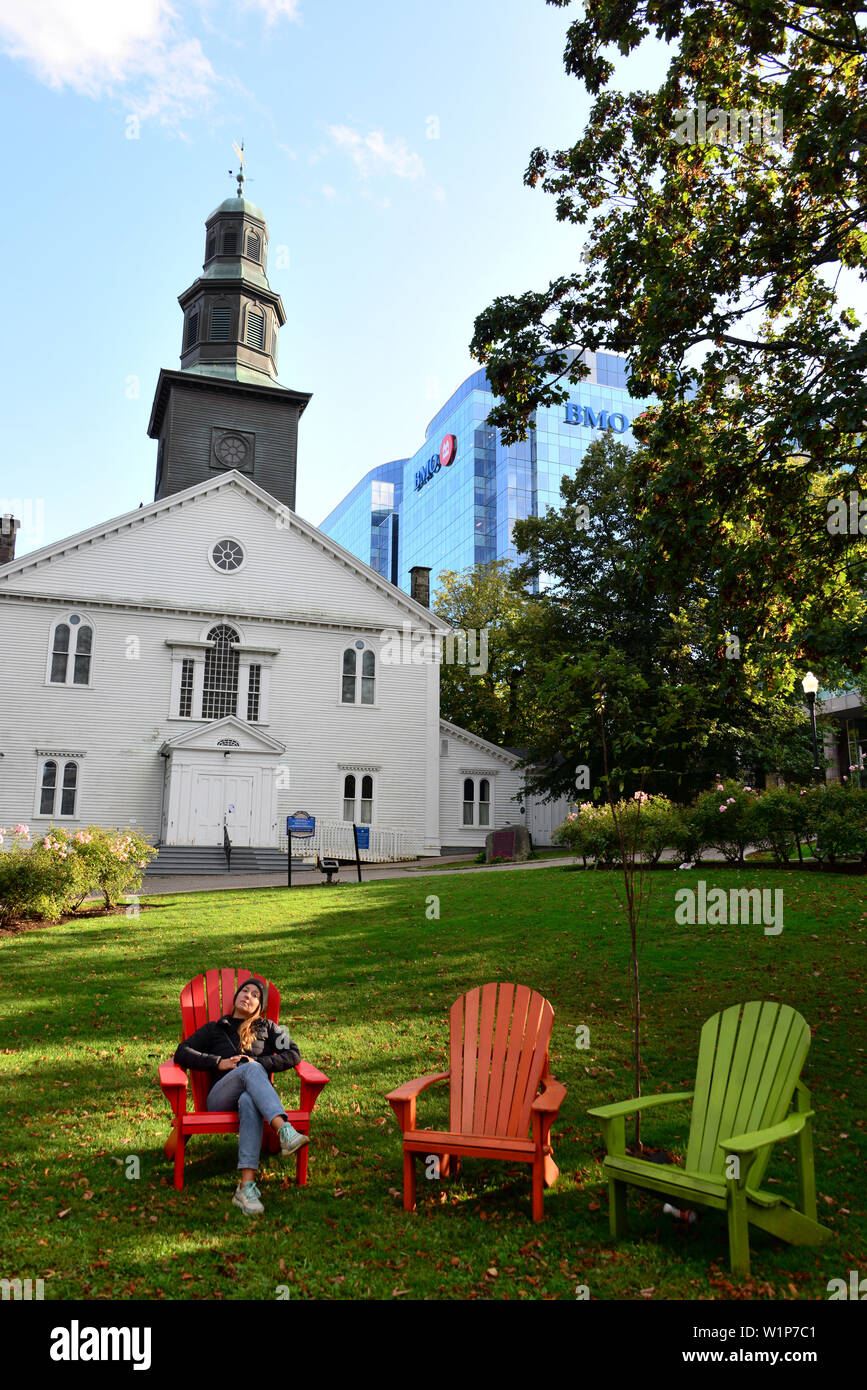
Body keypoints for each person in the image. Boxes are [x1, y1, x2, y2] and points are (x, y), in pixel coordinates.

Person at [173, 976, 308, 1215]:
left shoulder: (269, 1029)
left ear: (260, 1007)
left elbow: (294, 1053)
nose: (248, 996)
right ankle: (284, 1130)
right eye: (245, 991)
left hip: (253, 1100)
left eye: (255, 995)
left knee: (249, 1097)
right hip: (219, 1100)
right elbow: (182, 1052)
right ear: (235, 998)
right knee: (250, 1071)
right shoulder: (215, 1028)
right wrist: (219, 1063)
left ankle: (246, 1188)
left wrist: (259, 1062)